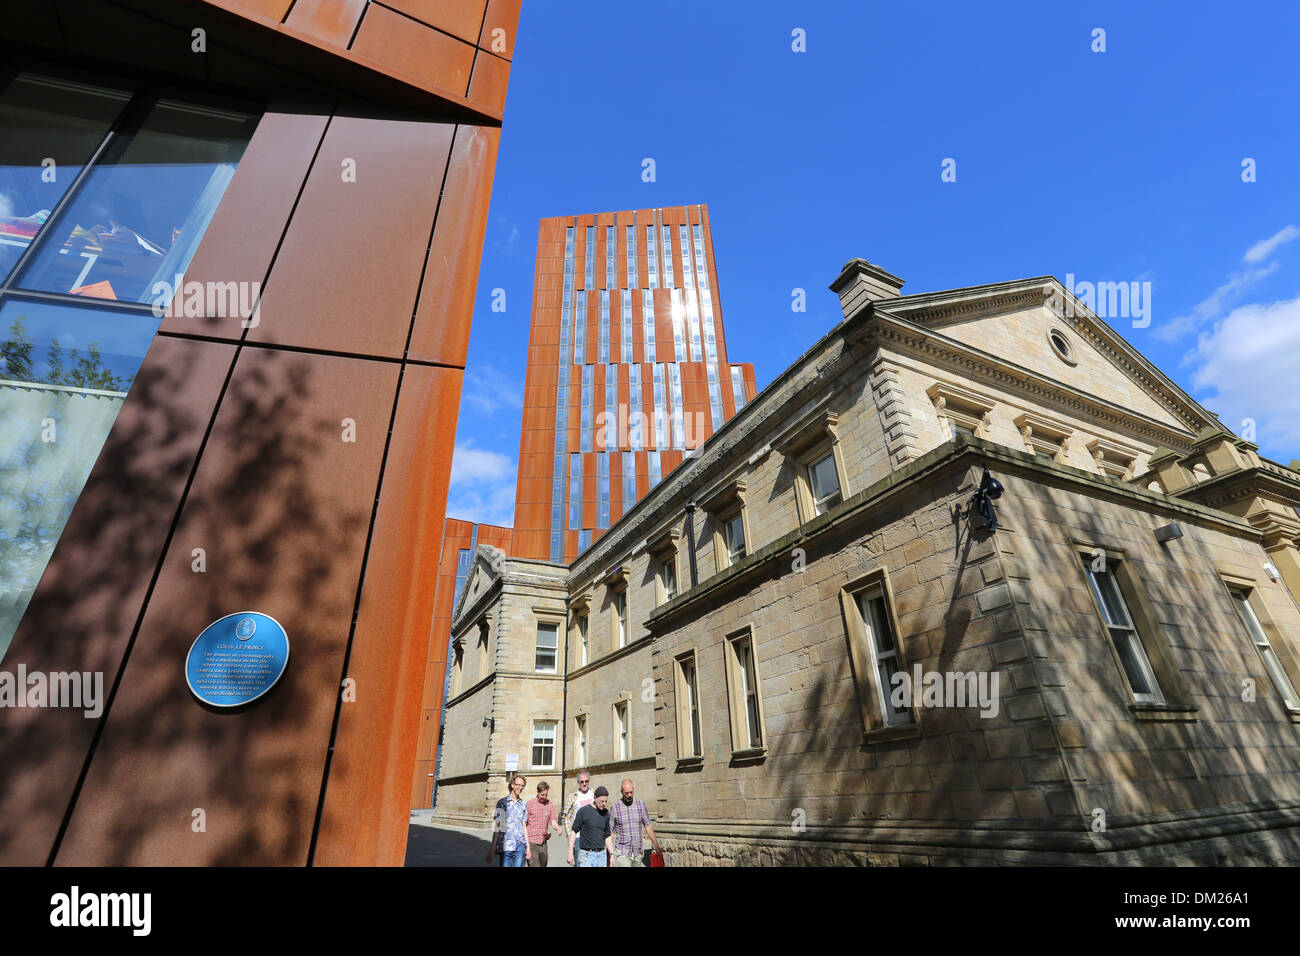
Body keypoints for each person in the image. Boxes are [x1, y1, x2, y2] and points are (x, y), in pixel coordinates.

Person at [609, 778, 662, 867]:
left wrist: (656, 845)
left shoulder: (640, 804)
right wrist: (610, 853)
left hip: (638, 853)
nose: (629, 795)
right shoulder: (615, 808)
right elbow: (611, 832)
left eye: (631, 792)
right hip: (622, 852)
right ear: (621, 791)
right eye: (627, 793)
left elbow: (648, 826)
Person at [486, 774, 530, 867]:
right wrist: (492, 848)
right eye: (518, 785)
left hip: (520, 845)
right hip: (506, 845)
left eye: (522, 785)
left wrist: (528, 847)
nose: (520, 787)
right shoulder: (502, 803)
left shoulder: (523, 804)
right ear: (512, 785)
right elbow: (498, 827)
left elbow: (524, 826)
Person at [570, 785, 613, 867]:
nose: (604, 804)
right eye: (602, 801)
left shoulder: (606, 814)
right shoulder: (583, 811)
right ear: (595, 798)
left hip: (601, 856)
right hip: (586, 856)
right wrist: (570, 852)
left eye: (606, 801)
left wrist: (612, 854)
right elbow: (573, 831)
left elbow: (607, 836)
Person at [525, 781, 564, 868]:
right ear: (538, 792)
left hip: (543, 843)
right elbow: (524, 824)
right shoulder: (529, 804)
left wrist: (557, 827)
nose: (544, 797)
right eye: (542, 795)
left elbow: (553, 821)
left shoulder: (549, 804)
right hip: (532, 843)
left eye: (546, 794)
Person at [563, 770, 596, 866]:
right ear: (578, 783)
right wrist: (569, 837)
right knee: (579, 863)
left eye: (586, 781)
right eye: (582, 781)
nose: (584, 783)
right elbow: (567, 818)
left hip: (593, 836)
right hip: (578, 837)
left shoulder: (594, 795)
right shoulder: (573, 797)